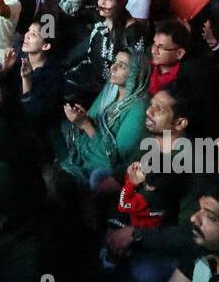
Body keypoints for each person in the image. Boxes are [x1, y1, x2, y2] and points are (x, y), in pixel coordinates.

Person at [59, 50, 151, 188]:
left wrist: (85, 124)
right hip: (85, 152)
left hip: (102, 170)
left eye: (122, 66)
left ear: (135, 74)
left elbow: (113, 158)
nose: (112, 67)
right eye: (115, 62)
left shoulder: (139, 108)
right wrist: (81, 118)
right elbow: (90, 119)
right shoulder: (110, 90)